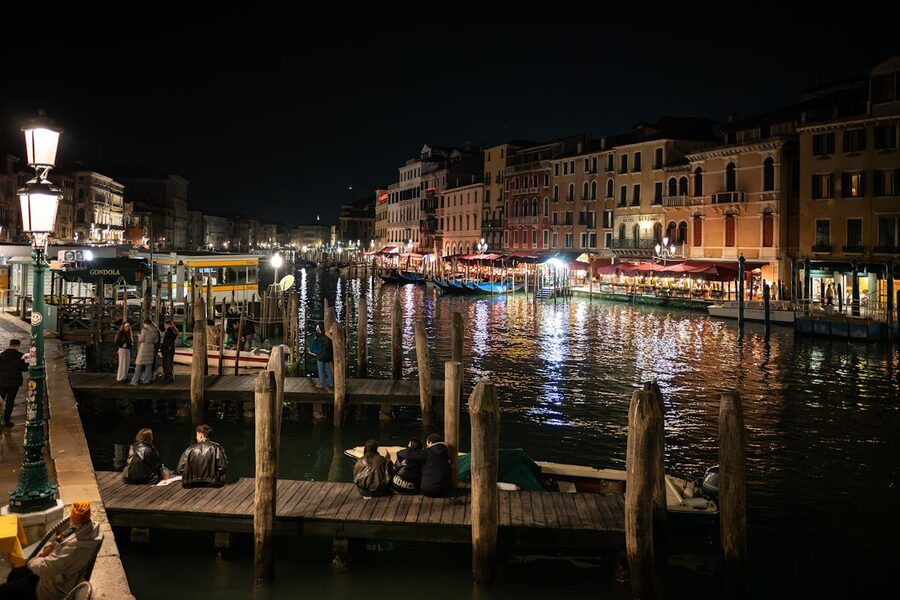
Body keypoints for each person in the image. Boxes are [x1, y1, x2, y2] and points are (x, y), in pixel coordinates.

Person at [0, 499, 103, 600]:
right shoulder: (90, 529)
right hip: (56, 574)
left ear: (75, 518)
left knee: (6, 589)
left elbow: (46, 568)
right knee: (16, 573)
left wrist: (33, 561)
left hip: (52, 588)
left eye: (72, 515)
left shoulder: (73, 547)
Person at [177, 424, 228, 488]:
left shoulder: (190, 449)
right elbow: (222, 467)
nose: (196, 437)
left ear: (200, 436)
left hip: (191, 483)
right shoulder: (217, 448)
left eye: (197, 435)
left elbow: (180, 469)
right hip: (212, 483)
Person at [0, 339, 29, 428]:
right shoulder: (20, 356)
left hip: (2, 382)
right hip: (14, 382)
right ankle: (7, 421)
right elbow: (25, 368)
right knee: (10, 401)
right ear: (17, 346)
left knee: (0, 400)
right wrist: (27, 359)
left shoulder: (1, 355)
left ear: (10, 344)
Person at [420, 433, 451, 498]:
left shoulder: (427, 452)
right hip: (444, 491)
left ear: (430, 442)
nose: (427, 446)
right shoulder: (446, 451)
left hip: (427, 490)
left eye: (427, 444)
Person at [131, 319, 160, 385]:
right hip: (151, 348)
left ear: (145, 323)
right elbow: (156, 341)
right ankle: (146, 380)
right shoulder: (155, 330)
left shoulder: (144, 330)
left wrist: (139, 336)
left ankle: (134, 381)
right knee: (149, 365)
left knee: (139, 365)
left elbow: (141, 340)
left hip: (144, 348)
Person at [310, 324, 334, 392]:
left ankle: (322, 384)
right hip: (327, 356)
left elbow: (317, 344)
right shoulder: (328, 337)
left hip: (320, 357)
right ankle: (331, 383)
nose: (317, 330)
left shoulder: (319, 337)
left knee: (320, 371)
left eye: (318, 328)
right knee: (327, 370)